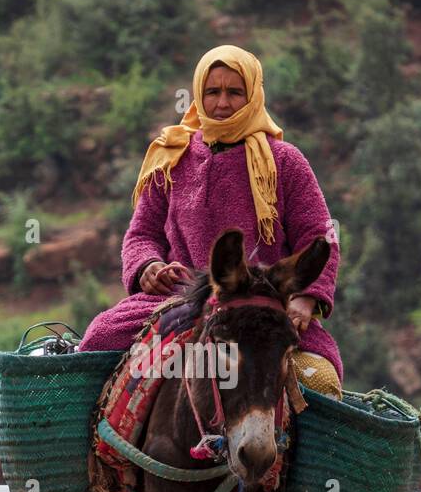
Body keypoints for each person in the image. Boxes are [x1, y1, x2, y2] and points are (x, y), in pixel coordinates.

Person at [78, 43, 344, 399]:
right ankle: (91, 453)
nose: (222, 103)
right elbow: (142, 233)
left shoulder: (286, 162)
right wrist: (149, 267)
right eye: (212, 92)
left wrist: (305, 299)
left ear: (253, 95)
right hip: (179, 300)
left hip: (266, 306)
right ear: (198, 95)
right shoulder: (172, 158)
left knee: (319, 383)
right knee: (99, 338)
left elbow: (320, 236)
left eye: (235, 92)